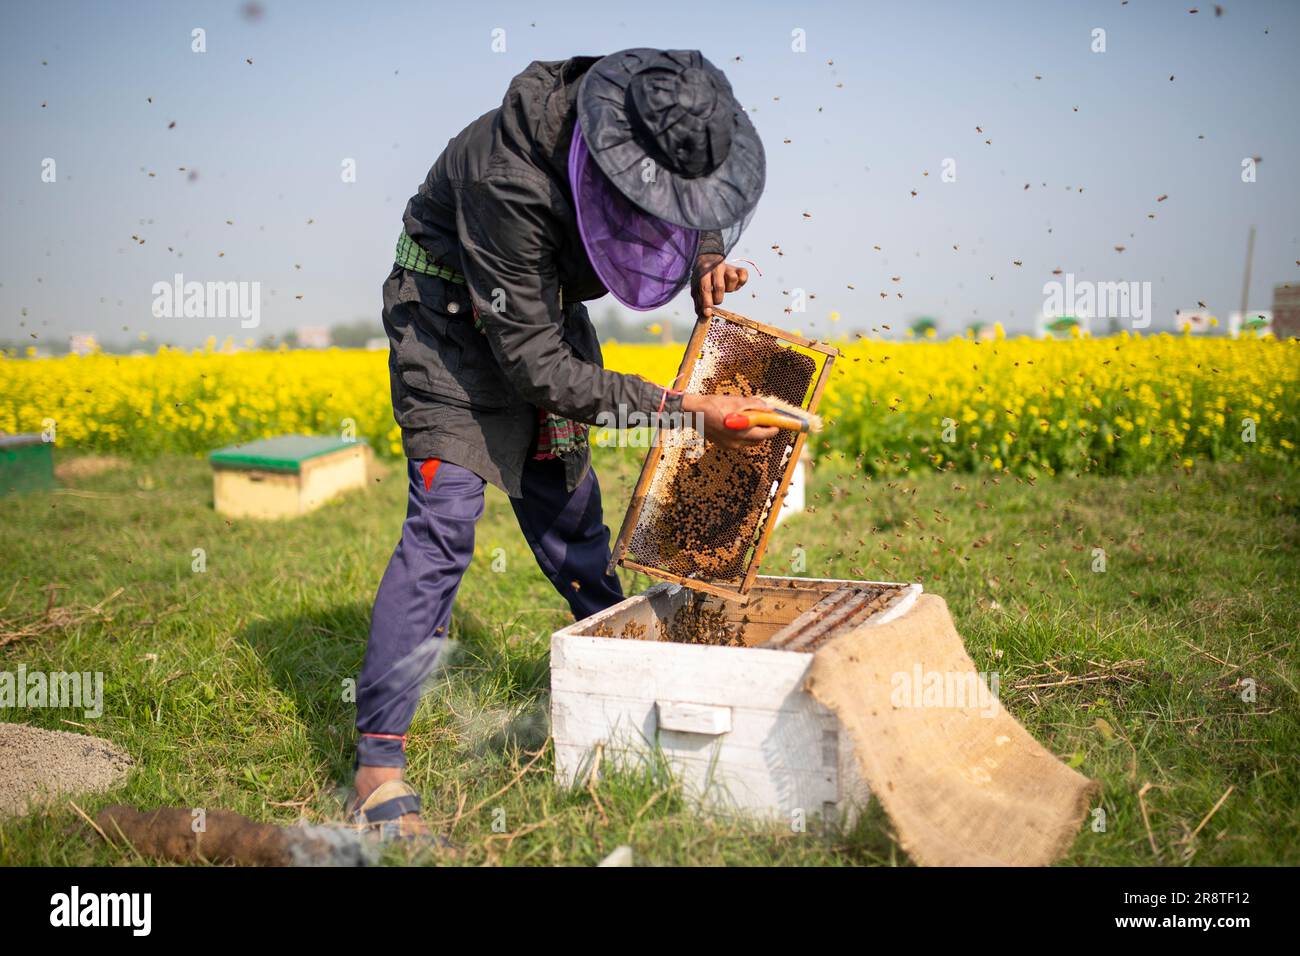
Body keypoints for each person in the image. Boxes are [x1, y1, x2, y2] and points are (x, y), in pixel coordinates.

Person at [350, 48, 772, 836]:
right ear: (603, 156)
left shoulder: (650, 111)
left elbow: (688, 182)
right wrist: (681, 409)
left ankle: (624, 670)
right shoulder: (503, 177)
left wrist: (707, 257)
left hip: (533, 310)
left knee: (570, 510)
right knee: (444, 520)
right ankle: (377, 766)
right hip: (449, 321)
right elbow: (538, 366)